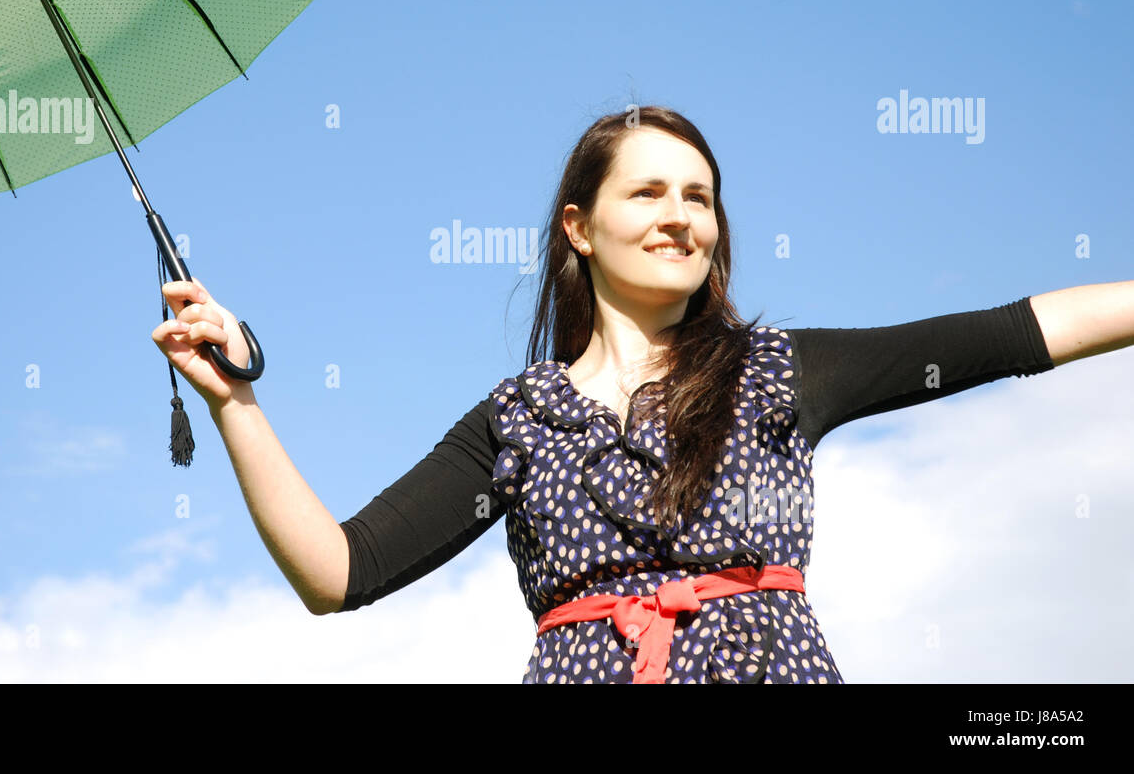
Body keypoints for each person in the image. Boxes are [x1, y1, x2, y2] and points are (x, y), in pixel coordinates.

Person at [151, 105, 1134, 683]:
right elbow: (339, 571)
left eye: (697, 196)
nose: (680, 216)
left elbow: (1015, 333)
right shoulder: (519, 421)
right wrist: (234, 402)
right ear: (579, 227)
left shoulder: (779, 369)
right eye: (649, 193)